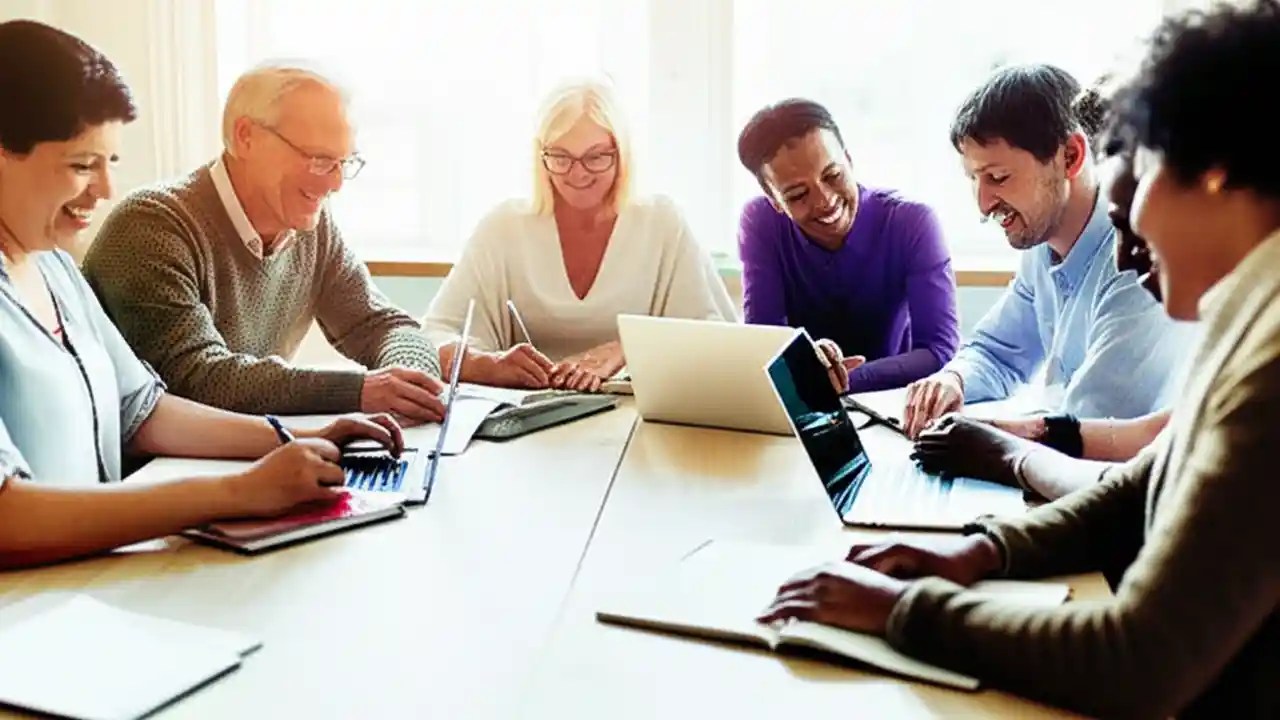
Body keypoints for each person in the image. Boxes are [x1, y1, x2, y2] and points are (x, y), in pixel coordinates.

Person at [760, 3, 1280, 716]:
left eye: (1142, 172)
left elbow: (1139, 658)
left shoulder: (1270, 360)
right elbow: (1138, 489)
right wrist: (982, 552)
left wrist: (903, 610)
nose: (1129, 219)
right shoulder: (1247, 312)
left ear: (1215, 173)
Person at [0, 20, 401, 569]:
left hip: (85, 587)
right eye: (80, 165)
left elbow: (143, 411)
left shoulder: (53, 269)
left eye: (109, 163)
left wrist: (295, 436)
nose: (106, 190)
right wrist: (235, 493)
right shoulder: (146, 227)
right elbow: (6, 518)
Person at [82, 61, 446, 425]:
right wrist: (359, 391)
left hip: (234, 458)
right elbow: (195, 380)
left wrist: (410, 382)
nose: (335, 184)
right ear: (246, 137)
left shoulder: (311, 228)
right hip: (151, 473)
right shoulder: (152, 226)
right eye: (319, 160)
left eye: (343, 162)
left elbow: (383, 325)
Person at [899, 64, 1194, 438]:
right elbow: (996, 351)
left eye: (998, 177)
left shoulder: (1138, 263)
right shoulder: (1042, 244)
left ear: (1070, 156)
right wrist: (953, 380)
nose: (984, 204)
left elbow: (1089, 426)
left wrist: (967, 430)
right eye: (974, 179)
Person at [421, 78, 736, 391]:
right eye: (560, 157)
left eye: (596, 156)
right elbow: (431, 338)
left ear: (622, 154)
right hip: (528, 420)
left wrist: (626, 349)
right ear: (540, 157)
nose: (578, 173)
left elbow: (717, 340)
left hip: (638, 416)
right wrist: (487, 365)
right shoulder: (503, 227)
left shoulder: (662, 222)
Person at [736, 99, 960, 393]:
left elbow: (939, 350)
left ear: (849, 160)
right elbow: (764, 342)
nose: (824, 200)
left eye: (833, 176)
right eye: (798, 194)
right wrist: (810, 369)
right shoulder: (760, 222)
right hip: (800, 407)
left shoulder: (912, 222)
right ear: (774, 200)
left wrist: (839, 380)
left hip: (893, 402)